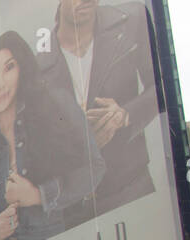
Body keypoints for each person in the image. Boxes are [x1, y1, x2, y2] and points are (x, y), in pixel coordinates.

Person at [0, 31, 104, 240]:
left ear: (22, 69)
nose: (1, 84)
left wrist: (38, 195)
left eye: (9, 68)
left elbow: (95, 168)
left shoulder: (55, 105)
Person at [38, 0, 161, 218]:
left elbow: (161, 87)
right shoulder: (38, 60)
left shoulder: (132, 18)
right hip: (74, 213)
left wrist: (125, 115)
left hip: (132, 191)